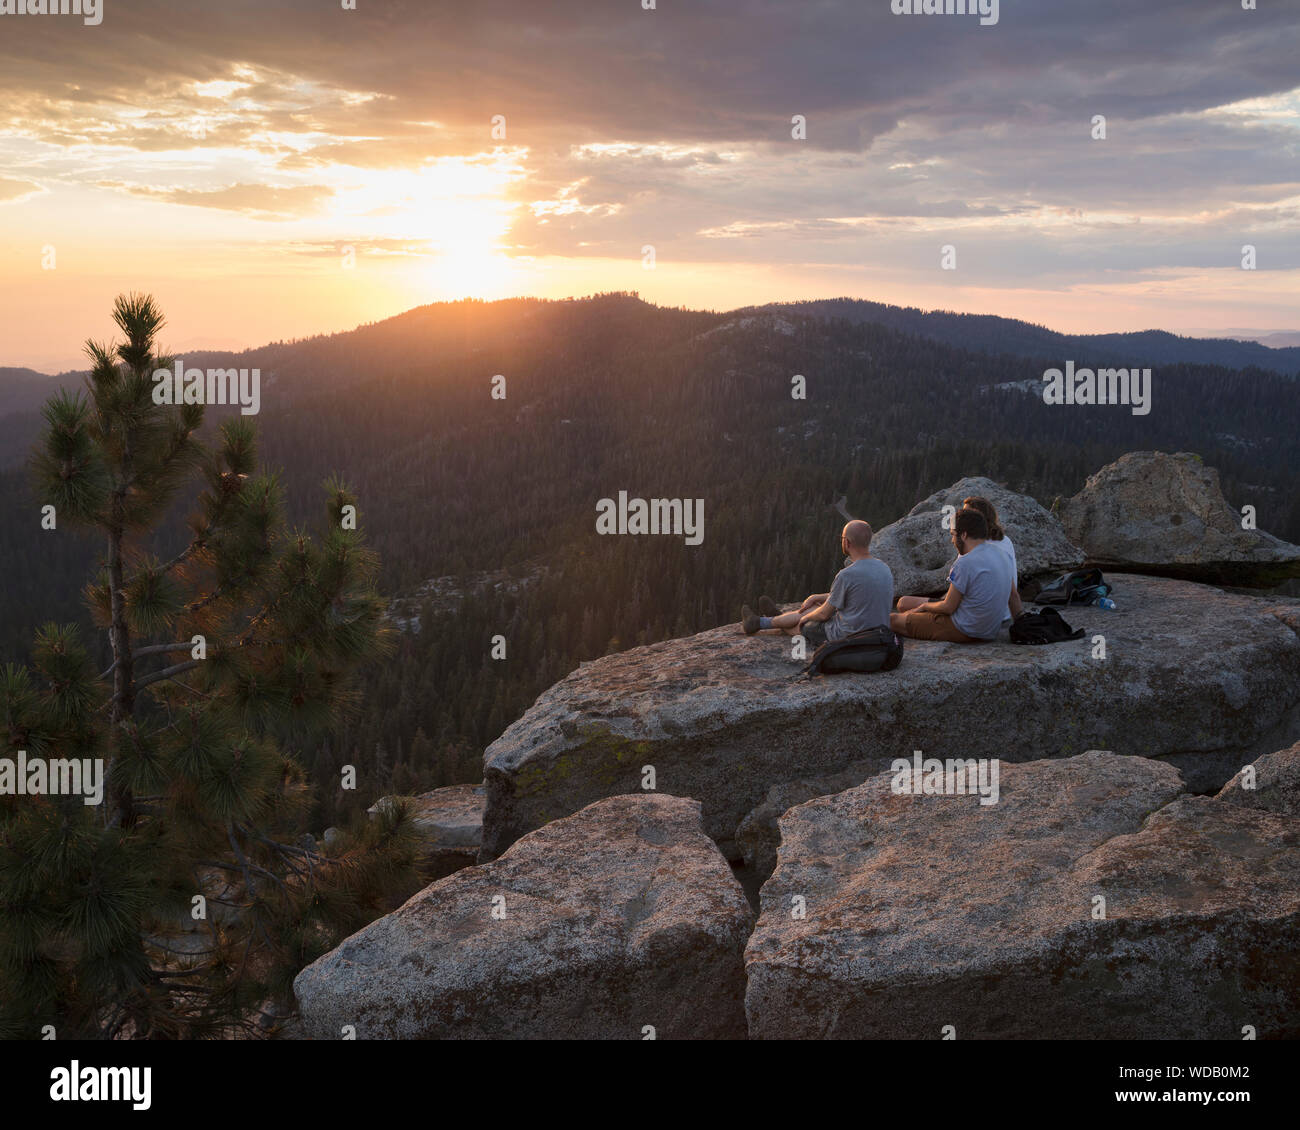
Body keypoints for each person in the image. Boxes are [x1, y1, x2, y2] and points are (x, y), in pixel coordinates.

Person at [741, 520, 894, 649]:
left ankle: (771, 621)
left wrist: (805, 619)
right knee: (816, 607)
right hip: (877, 635)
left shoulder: (847, 575)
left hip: (847, 637)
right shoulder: (884, 568)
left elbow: (823, 614)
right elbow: (859, 593)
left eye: (841, 538)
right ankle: (765, 621)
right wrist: (818, 596)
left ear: (847, 542)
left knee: (808, 621)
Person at [890, 508, 1021, 642]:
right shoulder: (1001, 554)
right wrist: (1020, 624)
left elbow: (948, 607)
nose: (952, 540)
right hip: (989, 630)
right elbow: (1013, 595)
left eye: (953, 534)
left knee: (892, 619)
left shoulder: (965, 562)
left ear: (963, 535)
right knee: (904, 604)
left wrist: (924, 607)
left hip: (964, 629)